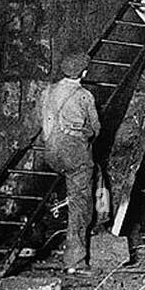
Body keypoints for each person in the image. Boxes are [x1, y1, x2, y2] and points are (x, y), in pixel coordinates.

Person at [37, 52, 102, 272]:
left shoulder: (47, 91)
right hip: (74, 154)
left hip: (51, 153)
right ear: (84, 72)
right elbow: (96, 129)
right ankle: (76, 261)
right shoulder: (84, 95)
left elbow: (40, 119)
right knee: (80, 204)